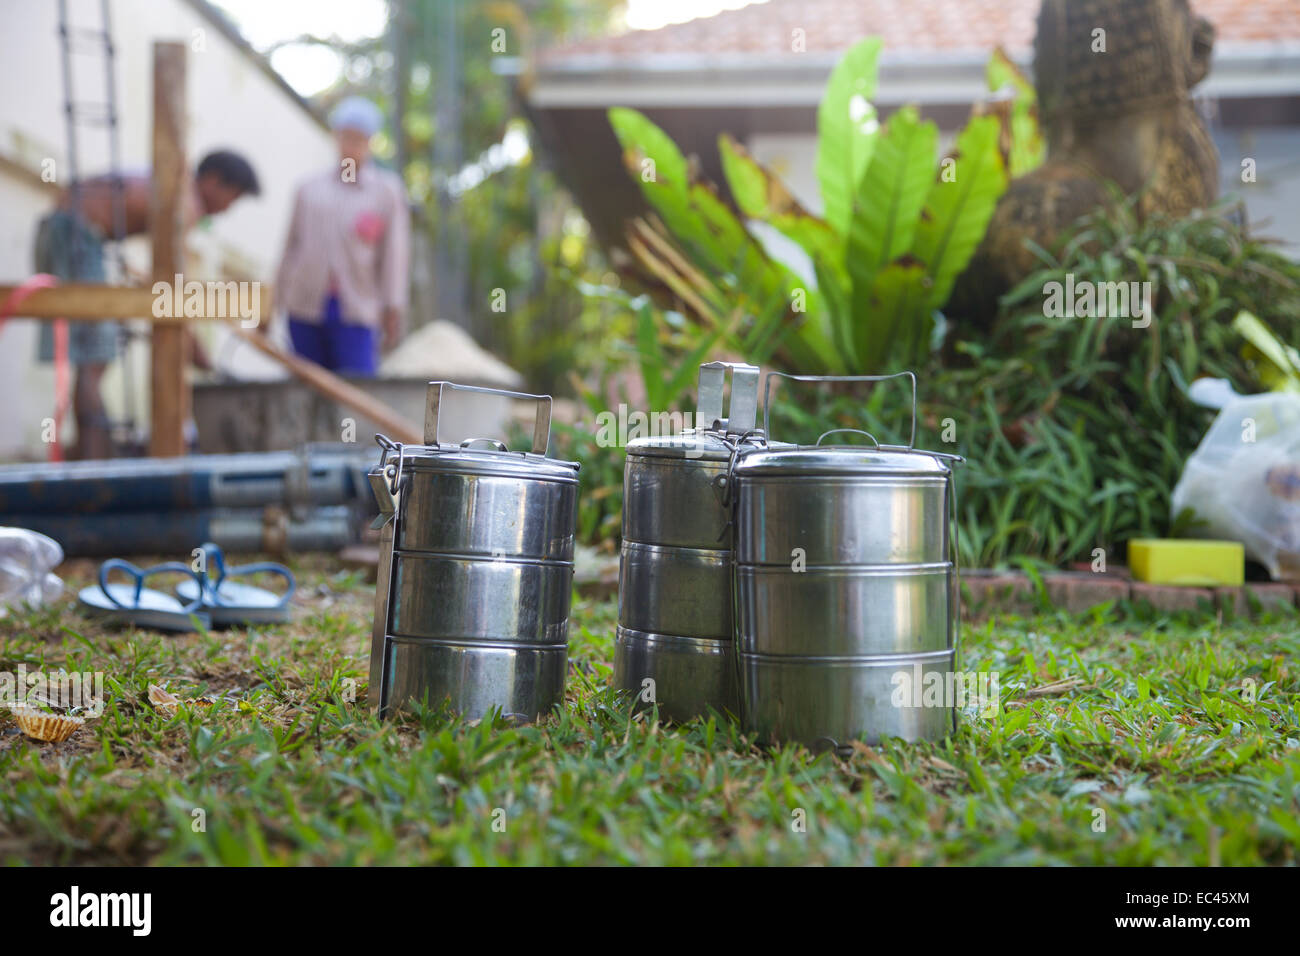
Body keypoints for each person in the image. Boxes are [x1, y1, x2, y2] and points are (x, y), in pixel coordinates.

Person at [35, 150, 261, 459]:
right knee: (94, 357)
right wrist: (196, 350)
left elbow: (162, 284)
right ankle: (94, 459)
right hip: (77, 235)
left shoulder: (165, 183)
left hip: (60, 230)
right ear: (213, 181)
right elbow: (173, 294)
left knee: (91, 356)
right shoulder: (186, 201)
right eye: (232, 197)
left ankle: (91, 451)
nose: (227, 209)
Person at [274, 96, 411, 376]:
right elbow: (290, 249)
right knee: (305, 385)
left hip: (357, 309)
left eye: (358, 140)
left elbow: (393, 255)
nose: (351, 147)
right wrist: (273, 302)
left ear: (370, 142)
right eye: (345, 138)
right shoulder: (309, 190)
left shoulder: (386, 192)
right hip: (305, 306)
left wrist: (392, 306)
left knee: (355, 387)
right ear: (335, 138)